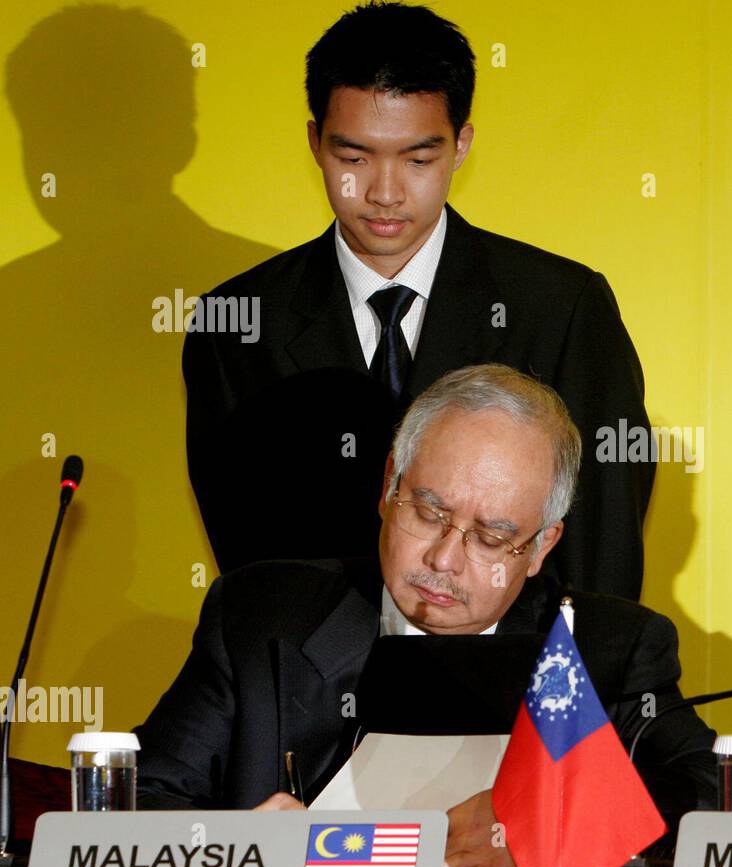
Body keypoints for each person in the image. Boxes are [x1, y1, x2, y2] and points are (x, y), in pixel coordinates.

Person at [139, 364, 713, 867]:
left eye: (491, 538)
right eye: (429, 513)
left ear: (541, 547)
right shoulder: (266, 615)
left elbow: (713, 796)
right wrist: (238, 851)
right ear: (389, 485)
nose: (444, 559)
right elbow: (140, 799)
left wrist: (547, 817)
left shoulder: (606, 647)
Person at [184, 2, 653, 600]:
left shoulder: (560, 309)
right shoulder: (238, 327)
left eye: (418, 159)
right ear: (314, 143)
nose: (383, 192)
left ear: (461, 145)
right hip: (314, 683)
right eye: (352, 158)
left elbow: (600, 554)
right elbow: (254, 573)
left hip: (512, 677)